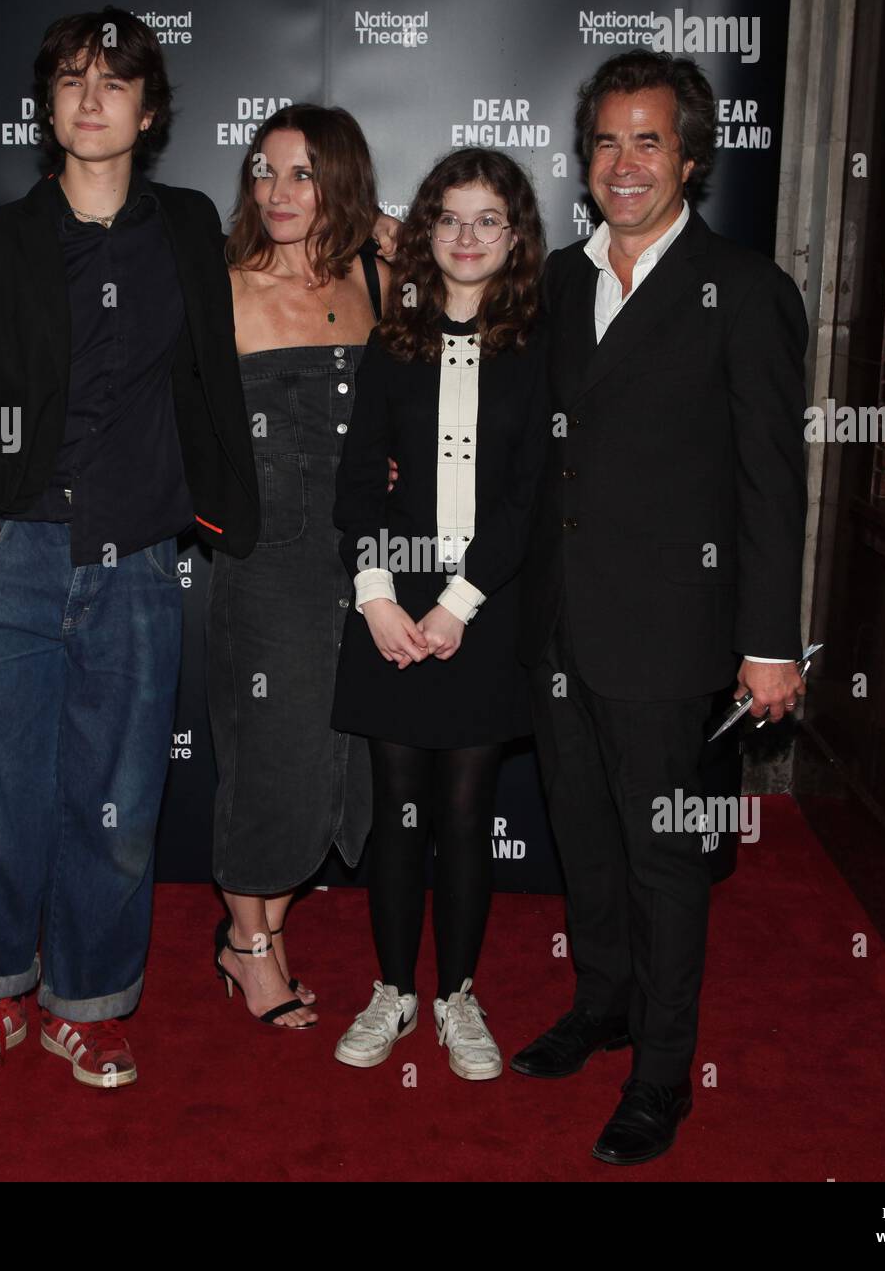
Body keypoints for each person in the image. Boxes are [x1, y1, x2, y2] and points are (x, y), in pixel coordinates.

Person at [0, 6, 258, 1087]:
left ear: (148, 112)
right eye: (68, 79)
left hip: (138, 565)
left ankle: (91, 1004)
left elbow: (280, 281)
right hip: (6, 561)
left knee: (119, 802)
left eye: (112, 81)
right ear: (48, 108)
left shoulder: (190, 227)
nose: (88, 97)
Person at [514, 49, 809, 1162]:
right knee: (583, 840)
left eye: (648, 140)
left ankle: (660, 1074)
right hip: (558, 625)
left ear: (690, 155)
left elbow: (771, 480)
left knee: (663, 861)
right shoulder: (554, 279)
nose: (623, 162)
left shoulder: (740, 288)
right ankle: (602, 1005)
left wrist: (768, 643)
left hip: (673, 632)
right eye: (605, 141)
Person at [330, 148, 548, 1080]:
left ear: (516, 236)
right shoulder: (394, 337)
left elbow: (528, 497)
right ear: (425, 230)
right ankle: (392, 990)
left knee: (465, 813)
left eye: (487, 219)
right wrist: (378, 597)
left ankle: (458, 992)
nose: (466, 237)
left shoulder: (540, 345)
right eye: (450, 218)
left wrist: (459, 604)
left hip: (486, 609)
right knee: (396, 810)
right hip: (391, 607)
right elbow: (357, 480)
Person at [208, 104, 390, 1029]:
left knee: (339, 746)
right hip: (265, 559)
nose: (278, 192)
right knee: (272, 747)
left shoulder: (375, 274)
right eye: (264, 170)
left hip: (362, 560)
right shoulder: (222, 287)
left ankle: (259, 933)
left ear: (341, 182)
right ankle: (249, 947)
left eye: (303, 173)